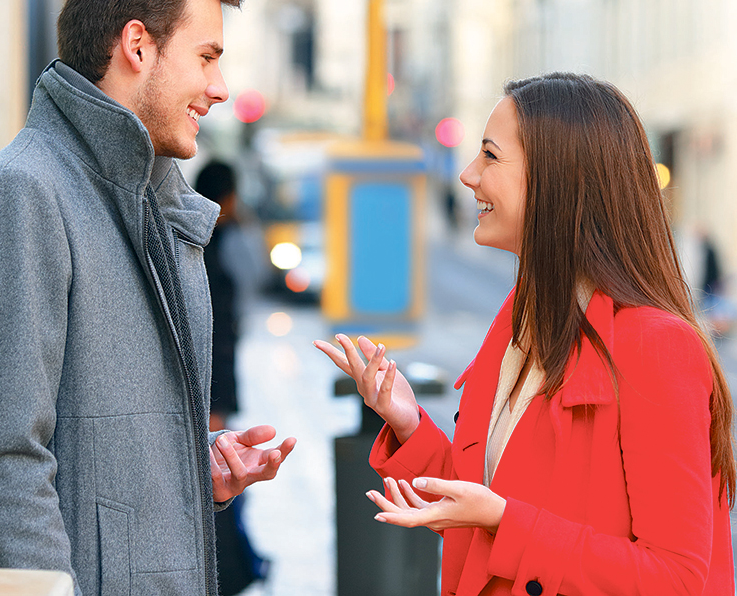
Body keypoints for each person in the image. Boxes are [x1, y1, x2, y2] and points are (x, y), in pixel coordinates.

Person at [0, 0, 296, 596]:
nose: (219, 87)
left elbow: (90, 453)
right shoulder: (19, 198)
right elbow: (2, 470)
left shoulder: (146, 202)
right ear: (137, 45)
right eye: (207, 57)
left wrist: (188, 466)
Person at [315, 73, 735, 595]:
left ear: (557, 179)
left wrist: (504, 522)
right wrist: (408, 426)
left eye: (490, 156)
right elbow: (491, 497)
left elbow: (678, 579)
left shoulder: (656, 346)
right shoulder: (519, 323)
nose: (469, 175)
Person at [195, 160, 271, 594]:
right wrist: (218, 405)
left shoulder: (197, 240)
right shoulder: (213, 246)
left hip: (214, 388)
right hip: (212, 392)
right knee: (217, 482)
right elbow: (219, 334)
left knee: (223, 481)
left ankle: (238, 564)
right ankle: (231, 571)